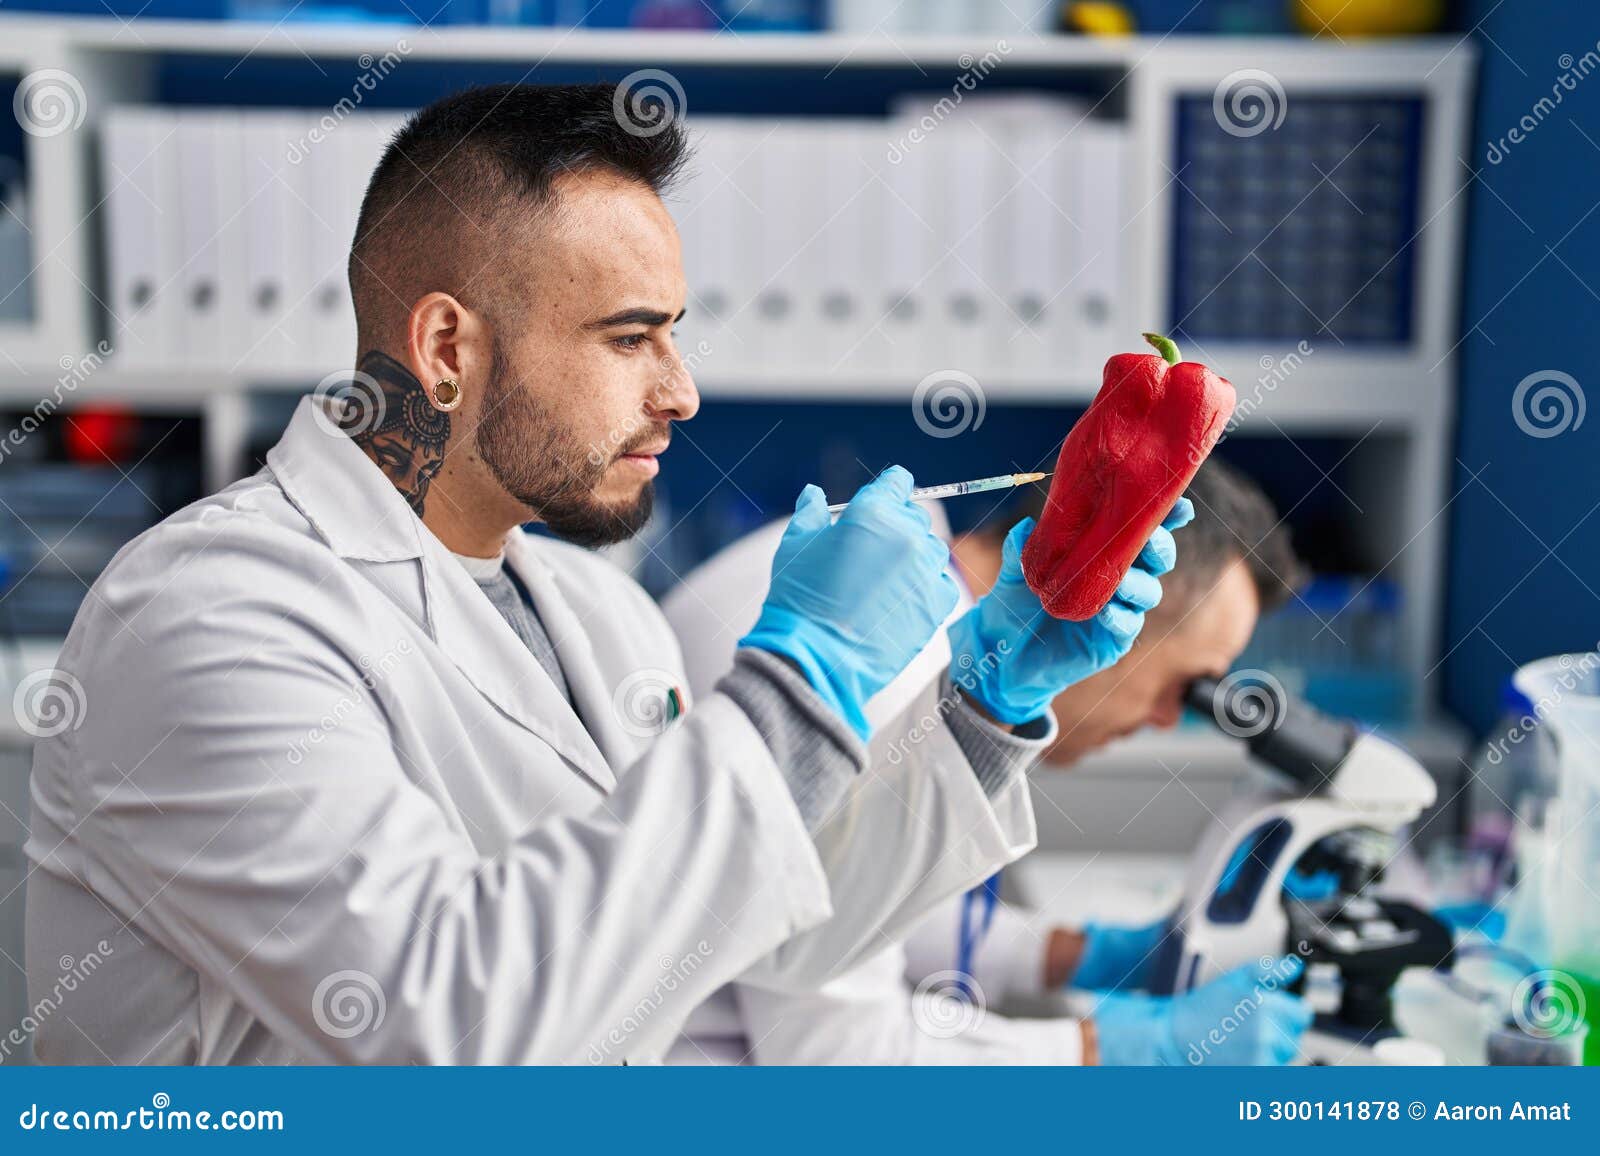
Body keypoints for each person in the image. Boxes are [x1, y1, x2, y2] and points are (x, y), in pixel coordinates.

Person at [23, 84, 1183, 1064]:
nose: (681, 392)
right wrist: (798, 681)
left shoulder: (597, 612)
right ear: (446, 350)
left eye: (673, 334)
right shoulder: (207, 614)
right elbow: (440, 1020)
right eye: (630, 338)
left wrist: (983, 704)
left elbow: (753, 945)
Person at [662, 458, 1313, 1064]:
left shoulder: (888, 575)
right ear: (1111, 592)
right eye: (1187, 685)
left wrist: (1080, 957)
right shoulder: (876, 647)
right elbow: (837, 1053)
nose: (1169, 721)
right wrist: (1120, 1050)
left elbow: (851, 894)